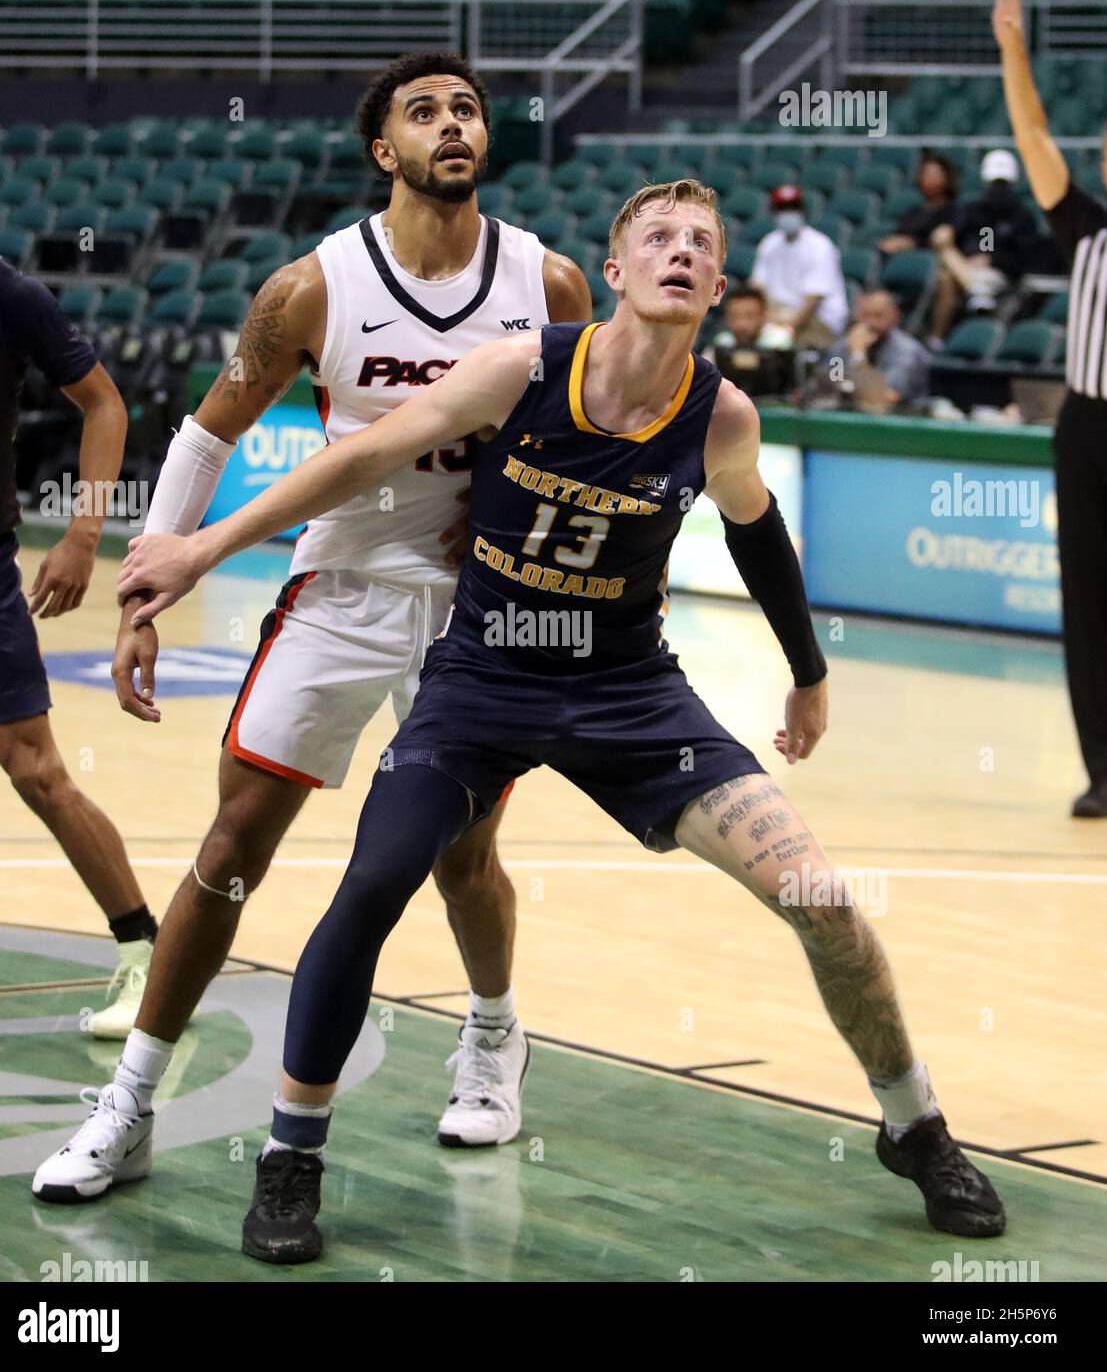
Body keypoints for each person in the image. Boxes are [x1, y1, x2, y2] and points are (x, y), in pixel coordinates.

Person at [107, 178, 1005, 1262]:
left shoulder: (720, 412)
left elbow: (754, 527)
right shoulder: (523, 365)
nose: (679, 252)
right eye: (656, 238)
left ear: (719, 286)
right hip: (483, 678)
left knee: (817, 894)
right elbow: (358, 457)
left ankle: (913, 1123)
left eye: (700, 244)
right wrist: (201, 545)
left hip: (629, 692)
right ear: (614, 273)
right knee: (374, 881)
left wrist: (806, 671)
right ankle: (291, 1153)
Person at [31, 51, 592, 1203]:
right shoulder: (311, 289)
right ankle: (131, 1099)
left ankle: (494, 1033)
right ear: (383, 150)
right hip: (343, 580)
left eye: (468, 110)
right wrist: (146, 593)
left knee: (461, 852)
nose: (453, 125)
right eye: (424, 111)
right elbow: (205, 433)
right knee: (235, 840)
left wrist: (519, 524)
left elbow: (579, 445)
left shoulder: (550, 283)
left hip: (476, 608)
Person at [0, 134, 157, 1031]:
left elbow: (105, 404)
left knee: (38, 772)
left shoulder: (5, 294)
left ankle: (140, 953)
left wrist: (85, 534)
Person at [993, 0, 1107, 816]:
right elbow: (1031, 133)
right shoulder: (1085, 228)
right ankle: (1102, 770)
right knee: (1087, 601)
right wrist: (1010, 44)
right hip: (1087, 425)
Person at [928, 148, 1044, 342]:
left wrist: (992, 258)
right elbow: (985, 238)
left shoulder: (1021, 217)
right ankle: (939, 338)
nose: (998, 190)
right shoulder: (979, 212)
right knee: (945, 270)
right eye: (994, 184)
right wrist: (951, 232)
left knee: (947, 276)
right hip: (970, 270)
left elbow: (1023, 258)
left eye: (1002, 184)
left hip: (1002, 275)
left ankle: (941, 336)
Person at [750, 185, 847, 350]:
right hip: (777, 314)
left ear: (802, 210)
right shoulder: (769, 243)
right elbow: (757, 287)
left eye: (792, 208)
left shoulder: (819, 245)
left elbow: (813, 299)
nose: (787, 213)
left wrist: (788, 329)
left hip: (817, 320)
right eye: (782, 208)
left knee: (777, 347)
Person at [824, 289, 931, 415]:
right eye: (865, 316)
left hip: (900, 425)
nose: (870, 324)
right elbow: (829, 389)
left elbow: (882, 398)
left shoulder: (908, 352)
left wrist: (858, 355)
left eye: (878, 316)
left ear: (895, 316)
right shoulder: (843, 346)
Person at [703, 283, 794, 399]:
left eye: (749, 316)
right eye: (734, 316)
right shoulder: (721, 342)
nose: (742, 324)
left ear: (763, 316)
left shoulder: (780, 341)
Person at [877, 151, 960, 259]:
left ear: (946, 178)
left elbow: (944, 241)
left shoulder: (954, 212)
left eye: (934, 174)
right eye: (925, 174)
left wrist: (912, 244)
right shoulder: (914, 212)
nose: (928, 179)